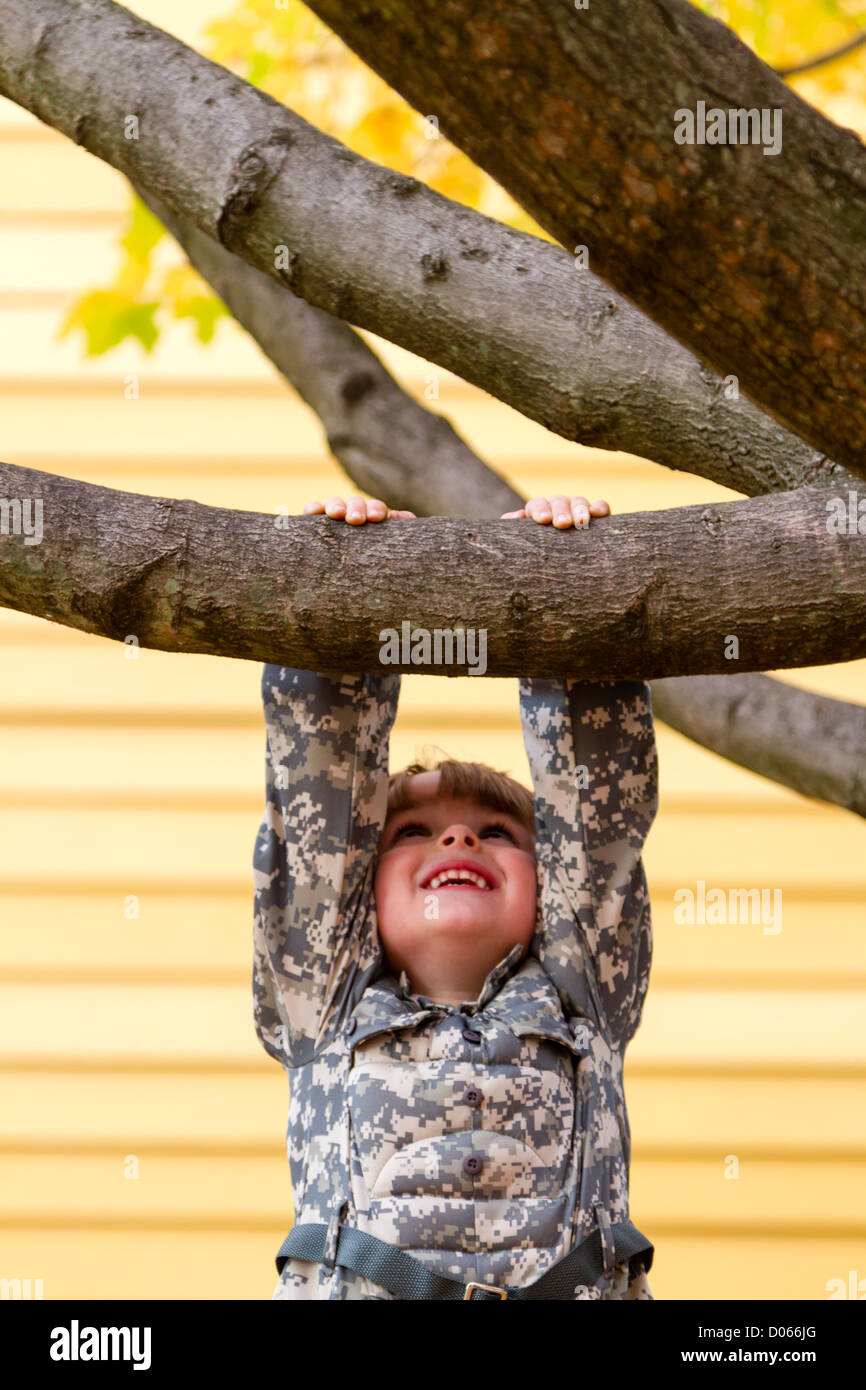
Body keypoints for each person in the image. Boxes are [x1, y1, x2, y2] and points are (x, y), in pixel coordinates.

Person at [252, 493, 658, 1300]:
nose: (458, 840)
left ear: (549, 887)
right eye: (413, 832)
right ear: (359, 894)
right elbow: (319, 808)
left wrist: (561, 581)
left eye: (497, 831)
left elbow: (596, 821)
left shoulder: (585, 996)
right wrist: (360, 584)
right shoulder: (324, 1001)